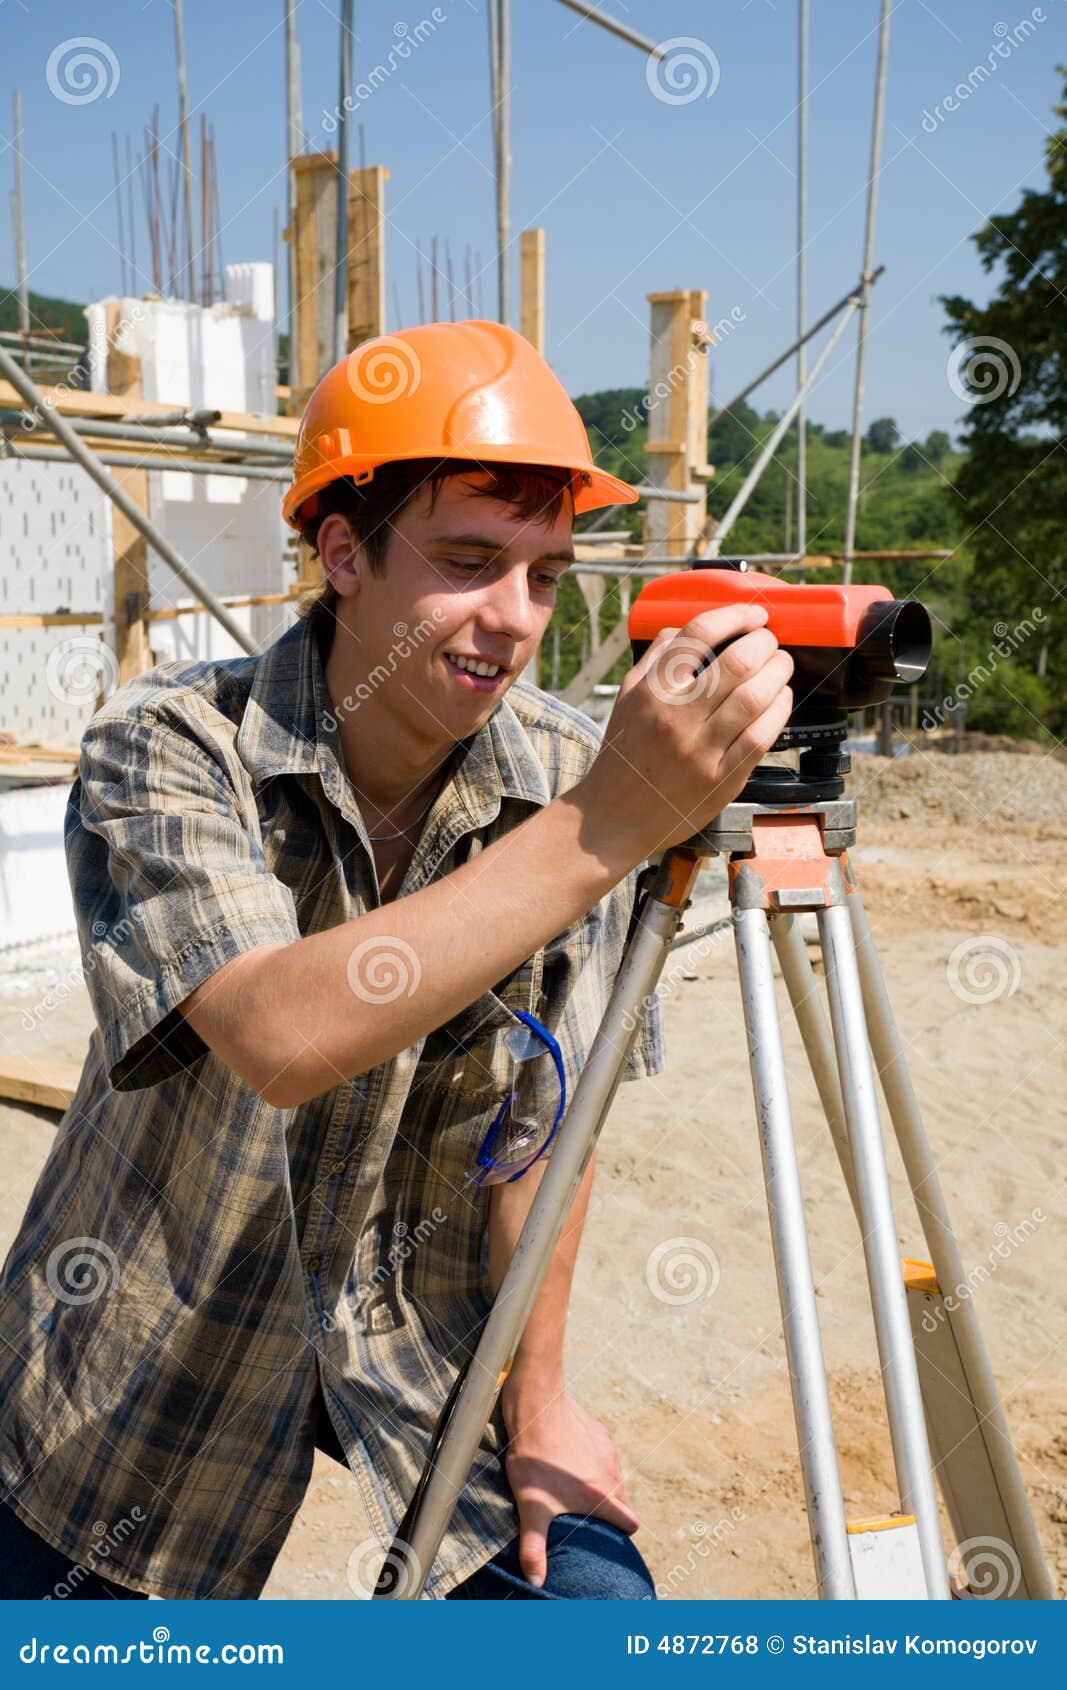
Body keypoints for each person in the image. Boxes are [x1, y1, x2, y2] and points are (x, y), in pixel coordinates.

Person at [0, 320, 792, 1601]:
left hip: (417, 1342)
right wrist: (609, 824)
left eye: (544, 575)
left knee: (592, 1627)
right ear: (343, 552)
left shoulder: (561, 776)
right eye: (471, 562)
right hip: (137, 1361)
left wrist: (539, 1401)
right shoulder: (165, 750)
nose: (513, 619)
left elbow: (551, 1122)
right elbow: (276, 1033)